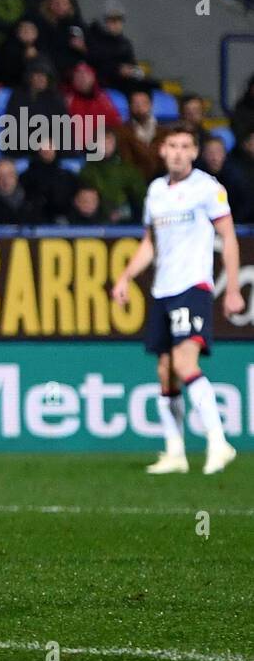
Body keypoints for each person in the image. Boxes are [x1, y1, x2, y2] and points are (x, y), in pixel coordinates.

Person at [112, 125, 244, 475]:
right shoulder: (156, 191)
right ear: (162, 151)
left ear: (195, 152)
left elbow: (228, 237)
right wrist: (125, 277)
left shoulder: (207, 189)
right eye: (172, 145)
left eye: (186, 146)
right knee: (165, 371)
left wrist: (232, 288)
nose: (178, 152)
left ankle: (219, 442)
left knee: (185, 363)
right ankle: (175, 452)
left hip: (193, 287)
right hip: (162, 290)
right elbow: (150, 243)